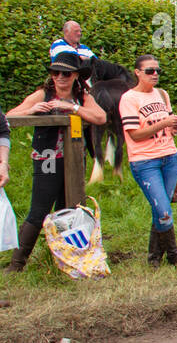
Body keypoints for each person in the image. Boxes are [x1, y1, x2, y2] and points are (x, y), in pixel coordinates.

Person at [4, 52, 108, 271]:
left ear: (76, 76)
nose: (60, 77)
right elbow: (10, 117)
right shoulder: (42, 94)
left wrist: (73, 108)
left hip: (74, 159)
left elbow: (101, 117)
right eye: (55, 72)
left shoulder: (82, 97)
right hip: (47, 159)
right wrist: (31, 111)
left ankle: (68, 260)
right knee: (39, 209)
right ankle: (17, 264)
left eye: (66, 73)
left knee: (70, 208)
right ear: (51, 74)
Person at [119, 54, 177, 267]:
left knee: (161, 208)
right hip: (145, 161)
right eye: (150, 71)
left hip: (169, 157)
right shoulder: (129, 99)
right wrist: (163, 124)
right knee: (163, 211)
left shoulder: (162, 94)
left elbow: (168, 127)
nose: (155, 74)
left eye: (158, 71)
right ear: (138, 72)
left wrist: (174, 126)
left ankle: (154, 259)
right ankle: (174, 256)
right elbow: (134, 134)